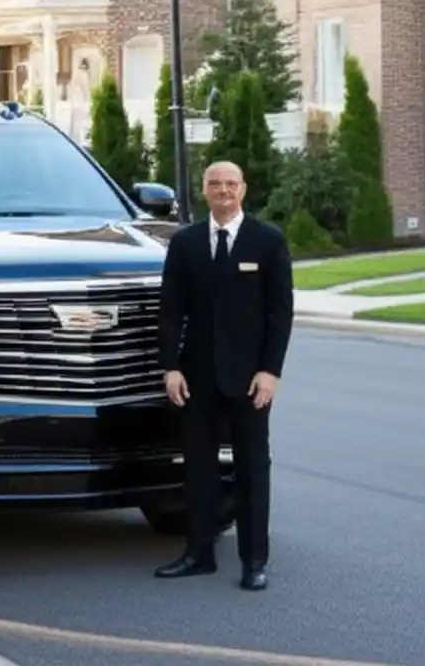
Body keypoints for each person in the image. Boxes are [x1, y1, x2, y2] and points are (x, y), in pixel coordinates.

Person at [153, 161, 294, 591]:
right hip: (195, 378)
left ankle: (254, 561)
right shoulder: (185, 243)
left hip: (250, 380)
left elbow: (280, 313)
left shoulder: (267, 242)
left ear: (244, 189)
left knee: (253, 469)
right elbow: (170, 310)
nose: (223, 190)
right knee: (198, 468)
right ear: (204, 189)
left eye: (231, 183)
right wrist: (171, 367)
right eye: (215, 184)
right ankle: (198, 554)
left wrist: (270, 372)